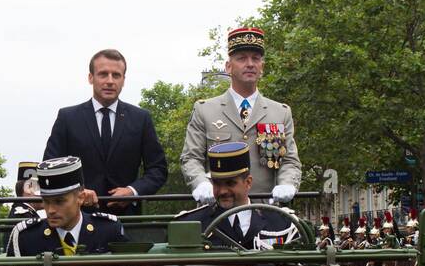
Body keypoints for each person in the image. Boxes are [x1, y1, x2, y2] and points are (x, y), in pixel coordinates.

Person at [181, 27, 301, 207]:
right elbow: (191, 157)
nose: (250, 63)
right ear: (229, 66)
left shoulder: (280, 112)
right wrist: (201, 183)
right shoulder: (205, 110)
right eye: (242, 58)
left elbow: (289, 160)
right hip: (218, 210)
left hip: (266, 211)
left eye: (256, 58)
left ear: (262, 67)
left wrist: (287, 184)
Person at [43, 49, 167, 217]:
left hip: (127, 221)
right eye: (103, 74)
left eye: (116, 75)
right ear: (90, 78)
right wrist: (78, 192)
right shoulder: (68, 118)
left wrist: (132, 191)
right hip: (77, 219)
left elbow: (158, 169)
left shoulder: (141, 119)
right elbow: (50, 166)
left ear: (123, 80)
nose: (109, 81)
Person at [172, 142, 298, 249]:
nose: (222, 191)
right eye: (216, 183)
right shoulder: (192, 224)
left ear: (248, 182)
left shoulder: (281, 223)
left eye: (230, 183)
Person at [6, 156, 126, 259]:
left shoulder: (108, 230)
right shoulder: (26, 237)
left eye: (59, 201)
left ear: (80, 198)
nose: (51, 210)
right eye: (46, 202)